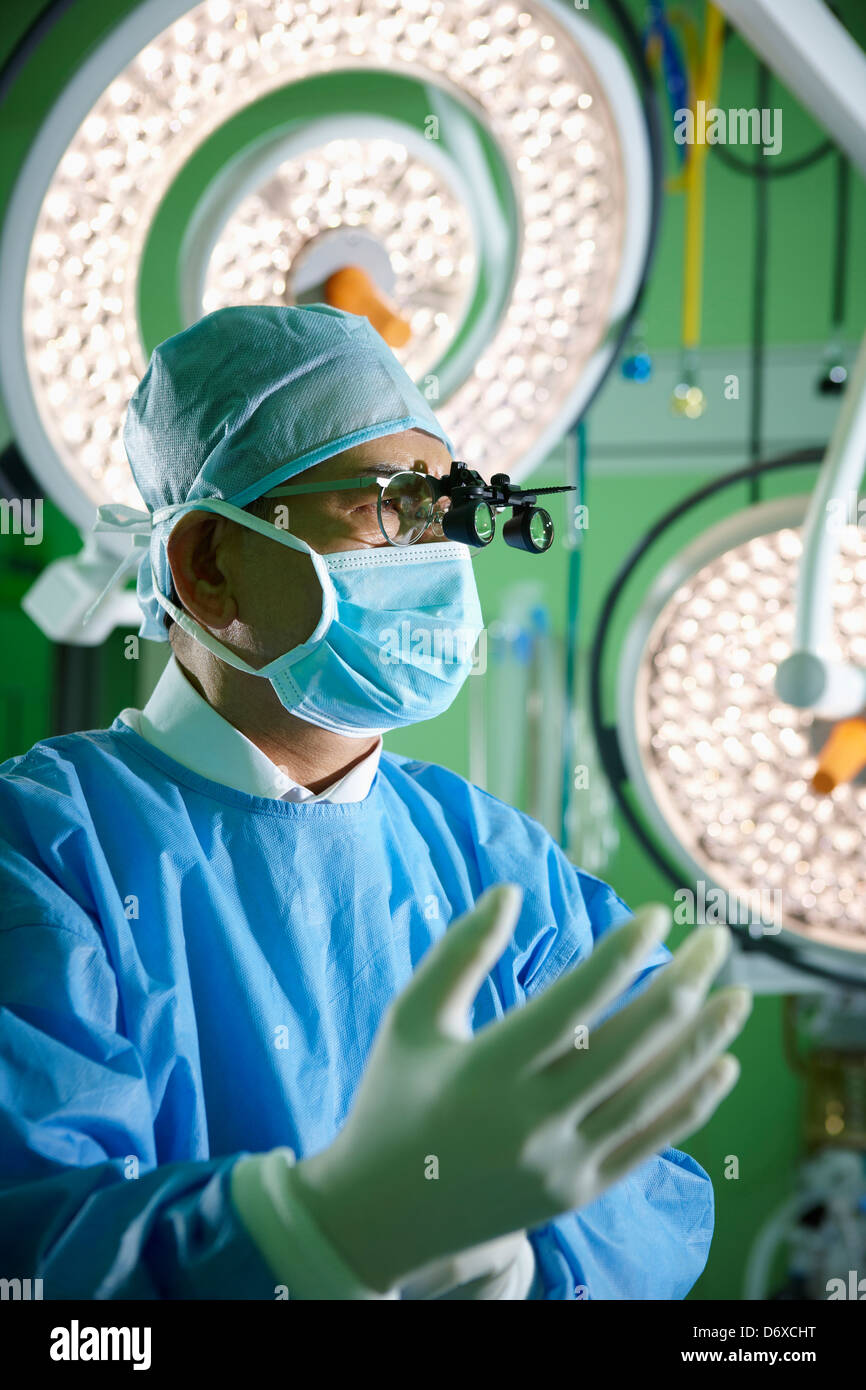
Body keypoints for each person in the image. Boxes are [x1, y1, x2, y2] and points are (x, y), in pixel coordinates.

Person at [0, 304, 750, 1300]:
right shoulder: (48, 853)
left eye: (443, 509)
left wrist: (518, 1265)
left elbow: (652, 1190)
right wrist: (319, 1234)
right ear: (207, 562)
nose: (438, 550)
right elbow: (43, 1261)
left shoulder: (490, 861)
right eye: (391, 504)